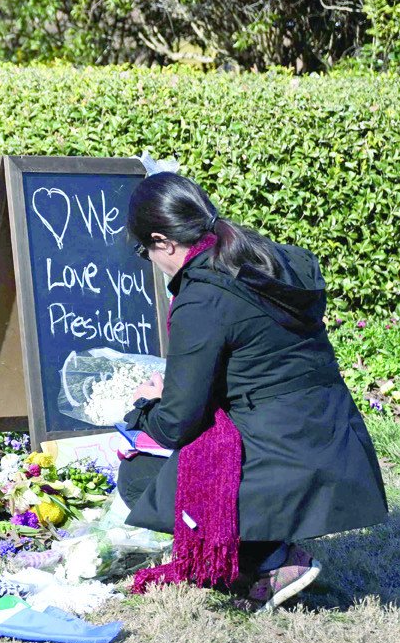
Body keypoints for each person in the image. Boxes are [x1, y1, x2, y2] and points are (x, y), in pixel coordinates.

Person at [117, 172, 386, 607]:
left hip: (286, 456)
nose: (149, 259)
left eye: (144, 249)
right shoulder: (265, 258)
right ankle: (265, 552)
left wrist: (145, 405)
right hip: (336, 441)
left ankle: (270, 562)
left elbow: (177, 423)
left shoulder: (202, 297)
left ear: (162, 241)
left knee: (139, 472)